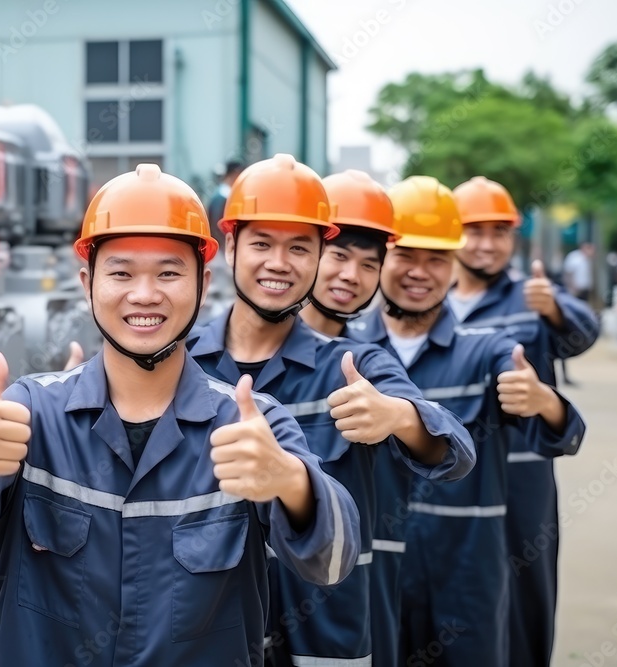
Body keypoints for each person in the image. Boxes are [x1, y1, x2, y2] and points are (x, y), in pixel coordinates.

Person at [0, 163, 361, 666]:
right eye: (120, 272)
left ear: (203, 283)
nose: (144, 294)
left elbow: (333, 562)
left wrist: (290, 482)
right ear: (87, 281)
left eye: (168, 272)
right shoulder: (31, 416)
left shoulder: (250, 426)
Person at [188, 158, 475, 665]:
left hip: (322, 629)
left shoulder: (356, 365)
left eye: (298, 247)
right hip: (210, 626)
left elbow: (456, 451)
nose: (279, 262)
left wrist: (399, 416)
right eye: (261, 244)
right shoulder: (181, 360)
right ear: (230, 246)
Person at [345, 175, 587, 666]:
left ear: (454, 265)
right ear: (382, 259)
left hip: (467, 578)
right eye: (406, 256)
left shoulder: (486, 351)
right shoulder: (347, 352)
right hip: (372, 575)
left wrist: (542, 399)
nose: (420, 272)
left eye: (436, 258)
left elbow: (567, 434)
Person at [298, 169, 471, 667]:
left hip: (340, 605)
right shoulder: (218, 353)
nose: (351, 276)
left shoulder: (369, 363)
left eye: (369, 264)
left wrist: (398, 414)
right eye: (338, 256)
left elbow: (454, 449)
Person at [448, 176, 599, 666]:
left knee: (525, 586)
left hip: (522, 474)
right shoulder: (429, 298)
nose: (488, 244)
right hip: (452, 474)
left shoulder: (532, 296)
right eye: (475, 231)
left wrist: (552, 309)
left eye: (499, 232)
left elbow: (581, 338)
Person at [206, 159, 244, 251]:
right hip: (221, 249)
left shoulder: (223, 195)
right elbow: (216, 226)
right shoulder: (222, 197)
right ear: (235, 174)